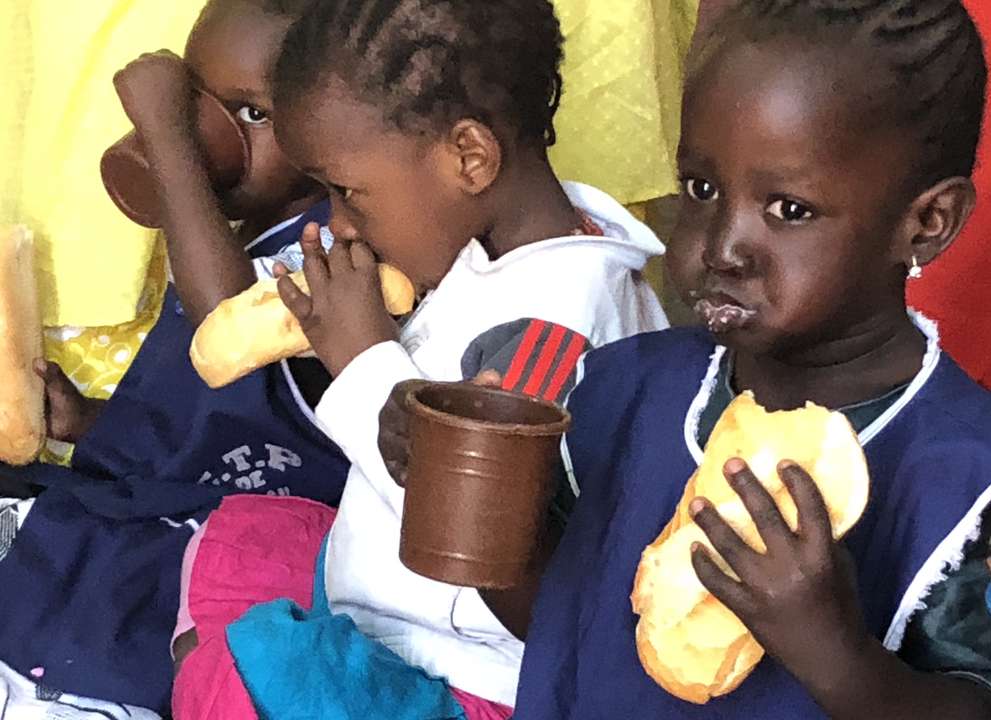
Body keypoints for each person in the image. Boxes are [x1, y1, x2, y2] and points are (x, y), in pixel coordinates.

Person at [422, 0, 991, 716]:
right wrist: (470, 490)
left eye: (788, 209)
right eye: (702, 189)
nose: (722, 247)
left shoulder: (982, 483)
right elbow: (563, 629)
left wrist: (836, 657)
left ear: (927, 223)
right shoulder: (622, 387)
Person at [170, 1, 668, 717]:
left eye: (348, 192)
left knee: (236, 675)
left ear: (470, 157)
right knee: (240, 538)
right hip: (390, 599)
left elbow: (480, 539)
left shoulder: (553, 332)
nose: (339, 225)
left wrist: (364, 358)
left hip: (466, 675)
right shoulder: (496, 241)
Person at [0, 0, 351, 712]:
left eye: (251, 114)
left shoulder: (336, 247)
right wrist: (90, 423)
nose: (207, 132)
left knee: (96, 626)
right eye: (197, 100)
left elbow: (230, 322)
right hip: (158, 494)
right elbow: (198, 421)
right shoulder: (226, 236)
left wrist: (167, 139)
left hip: (234, 542)